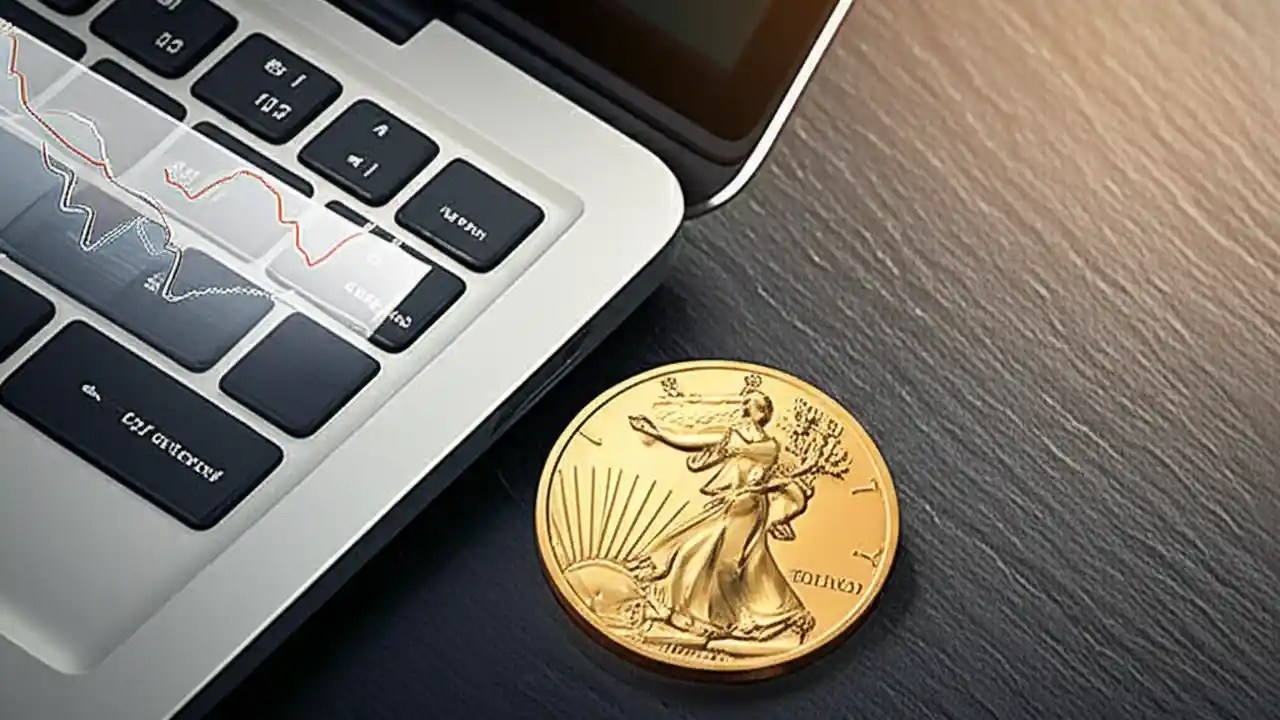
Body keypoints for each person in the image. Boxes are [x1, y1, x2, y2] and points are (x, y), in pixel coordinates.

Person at [626, 389, 815, 650]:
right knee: (695, 550)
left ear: (762, 412)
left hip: (750, 506)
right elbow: (694, 442)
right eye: (748, 405)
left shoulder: (772, 445)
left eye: (753, 405)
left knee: (734, 561)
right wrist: (660, 434)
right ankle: (705, 615)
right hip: (728, 502)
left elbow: (772, 476)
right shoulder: (732, 435)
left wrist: (772, 490)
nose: (748, 409)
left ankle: (742, 618)